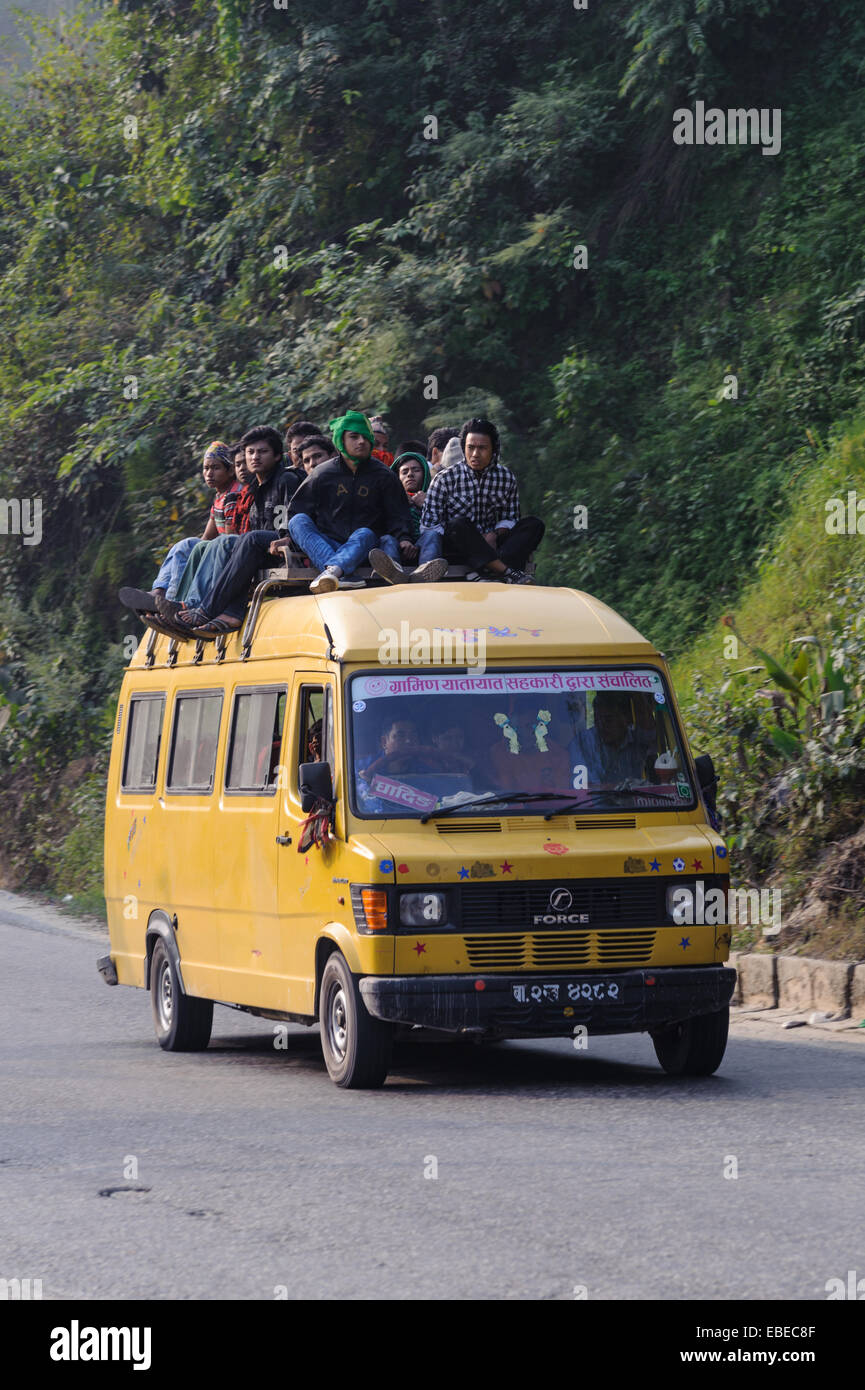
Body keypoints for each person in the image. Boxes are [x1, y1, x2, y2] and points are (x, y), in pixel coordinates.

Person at [283, 409, 443, 593]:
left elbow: (398, 514)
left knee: (365, 533)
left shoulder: (384, 475)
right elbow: (296, 509)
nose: (361, 441)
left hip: (367, 548)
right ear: (341, 441)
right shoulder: (322, 474)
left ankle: (333, 573)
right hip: (329, 544)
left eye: (366, 437)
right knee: (297, 521)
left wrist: (404, 538)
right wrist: (284, 536)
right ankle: (339, 573)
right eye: (354, 436)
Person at [174, 425, 302, 635]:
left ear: (278, 456)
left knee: (246, 540)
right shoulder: (255, 489)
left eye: (262, 452)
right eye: (251, 452)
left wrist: (282, 538)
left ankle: (207, 609)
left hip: (287, 549)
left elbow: (286, 527)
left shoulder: (285, 480)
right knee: (229, 543)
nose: (255, 457)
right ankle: (228, 612)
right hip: (264, 549)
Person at [412, 416, 543, 584]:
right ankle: (507, 571)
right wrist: (475, 540)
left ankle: (489, 570)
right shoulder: (445, 478)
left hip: (494, 544)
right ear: (463, 448)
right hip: (459, 547)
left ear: (493, 450)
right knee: (457, 525)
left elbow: (510, 518)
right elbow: (429, 526)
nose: (475, 454)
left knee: (534, 524)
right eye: (470, 447)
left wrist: (494, 535)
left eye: (482, 448)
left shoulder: (505, 477)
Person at [126, 441, 241, 622]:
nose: (209, 473)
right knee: (186, 544)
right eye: (206, 468)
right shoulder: (219, 496)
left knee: (192, 545)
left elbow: (230, 536)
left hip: (229, 551)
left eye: (216, 468)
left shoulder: (235, 494)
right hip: (216, 547)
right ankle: (161, 592)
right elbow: (205, 538)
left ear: (230, 470)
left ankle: (175, 602)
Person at [367, 452, 447, 584]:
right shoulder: (386, 498)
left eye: (416, 470)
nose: (410, 474)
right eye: (404, 472)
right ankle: (393, 572)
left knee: (432, 535)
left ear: (425, 474)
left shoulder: (435, 496)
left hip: (423, 546)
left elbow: (446, 526)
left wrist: (426, 505)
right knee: (387, 539)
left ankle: (425, 573)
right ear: (396, 477)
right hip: (396, 545)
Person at [570, 692, 650, 786]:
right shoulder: (582, 743)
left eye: (608, 720)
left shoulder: (639, 742)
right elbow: (585, 785)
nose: (601, 726)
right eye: (597, 720)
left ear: (626, 718)